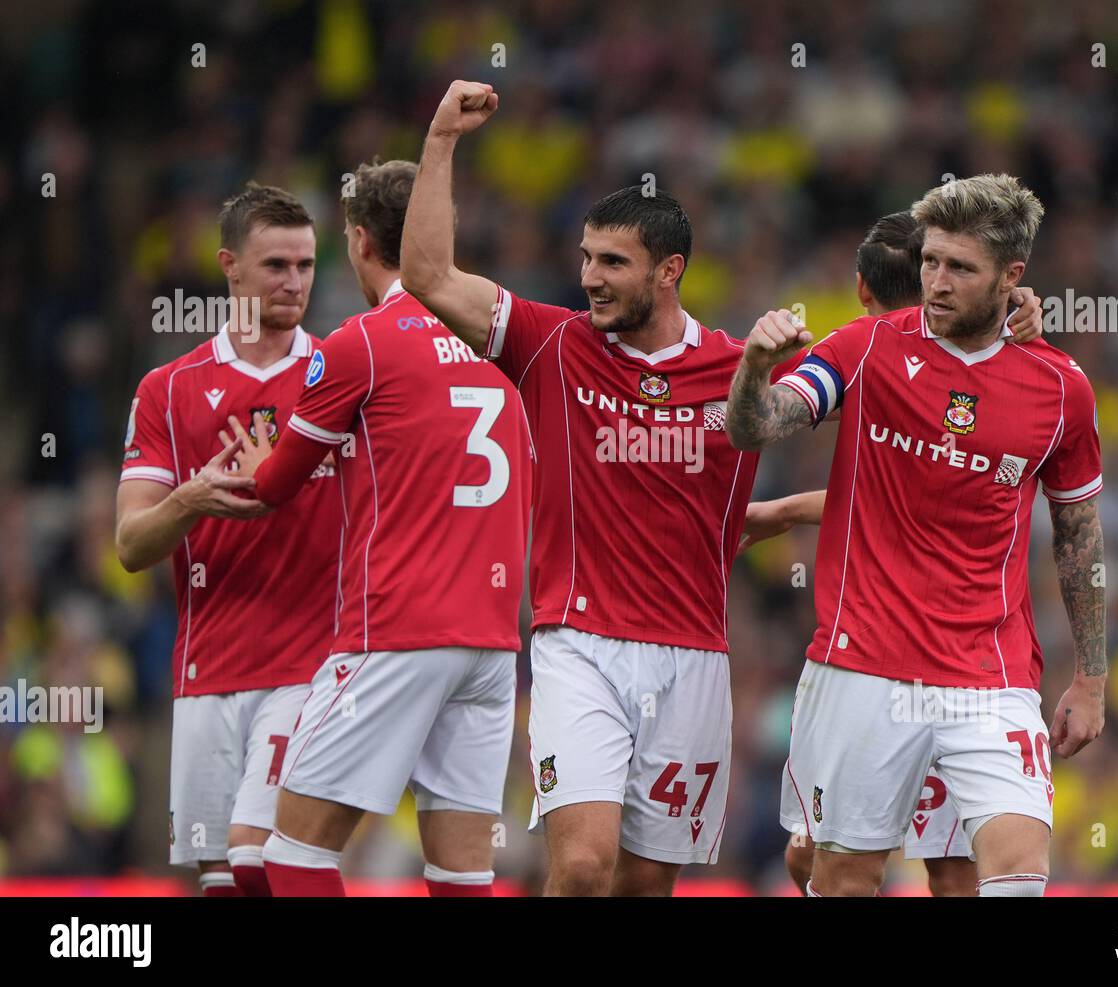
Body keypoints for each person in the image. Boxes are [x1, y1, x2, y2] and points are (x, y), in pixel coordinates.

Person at [401, 82, 1047, 896]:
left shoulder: (735, 367)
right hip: (579, 643)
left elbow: (893, 433)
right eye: (586, 259)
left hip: (694, 657)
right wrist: (441, 138)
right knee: (582, 864)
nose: (590, 279)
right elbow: (427, 273)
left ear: (668, 271)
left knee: (644, 880)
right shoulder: (551, 344)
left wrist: (1014, 314)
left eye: (611, 263)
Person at [727, 174, 1106, 897]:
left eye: (959, 268)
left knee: (1014, 880)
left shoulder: (1061, 388)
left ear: (1012, 276)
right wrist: (753, 368)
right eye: (930, 261)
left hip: (988, 673)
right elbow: (757, 425)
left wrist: (1091, 677)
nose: (935, 281)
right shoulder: (866, 347)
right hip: (864, 662)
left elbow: (1079, 538)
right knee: (839, 879)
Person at [213, 160, 532, 897]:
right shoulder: (500, 350)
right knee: (462, 872)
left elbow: (273, 485)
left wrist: (262, 460)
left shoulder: (360, 342)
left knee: (291, 854)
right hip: (489, 647)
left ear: (360, 241)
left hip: (394, 632)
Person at [115, 183, 338, 896]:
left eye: (306, 264)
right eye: (276, 265)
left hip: (311, 662)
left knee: (260, 858)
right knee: (220, 879)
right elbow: (130, 544)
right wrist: (191, 498)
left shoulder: (344, 373)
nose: (295, 281)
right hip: (207, 668)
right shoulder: (167, 390)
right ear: (229, 267)